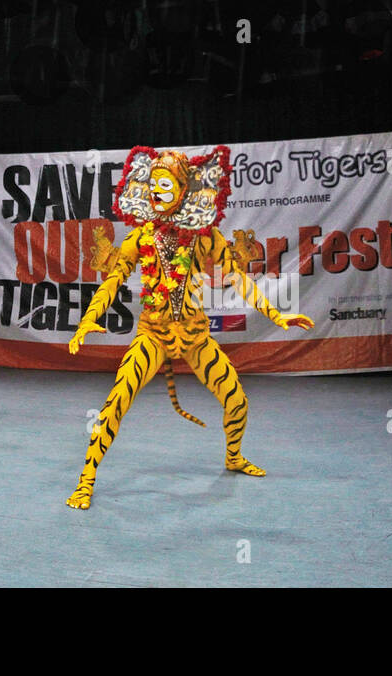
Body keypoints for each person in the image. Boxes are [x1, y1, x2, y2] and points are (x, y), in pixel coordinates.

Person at [65, 146, 314, 510]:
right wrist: (89, 318)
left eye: (164, 184)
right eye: (153, 184)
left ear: (183, 189)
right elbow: (113, 280)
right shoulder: (140, 238)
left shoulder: (206, 237)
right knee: (115, 404)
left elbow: (238, 279)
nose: (156, 191)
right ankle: (85, 481)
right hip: (153, 334)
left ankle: (233, 456)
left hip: (196, 336)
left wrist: (277, 315)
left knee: (237, 400)